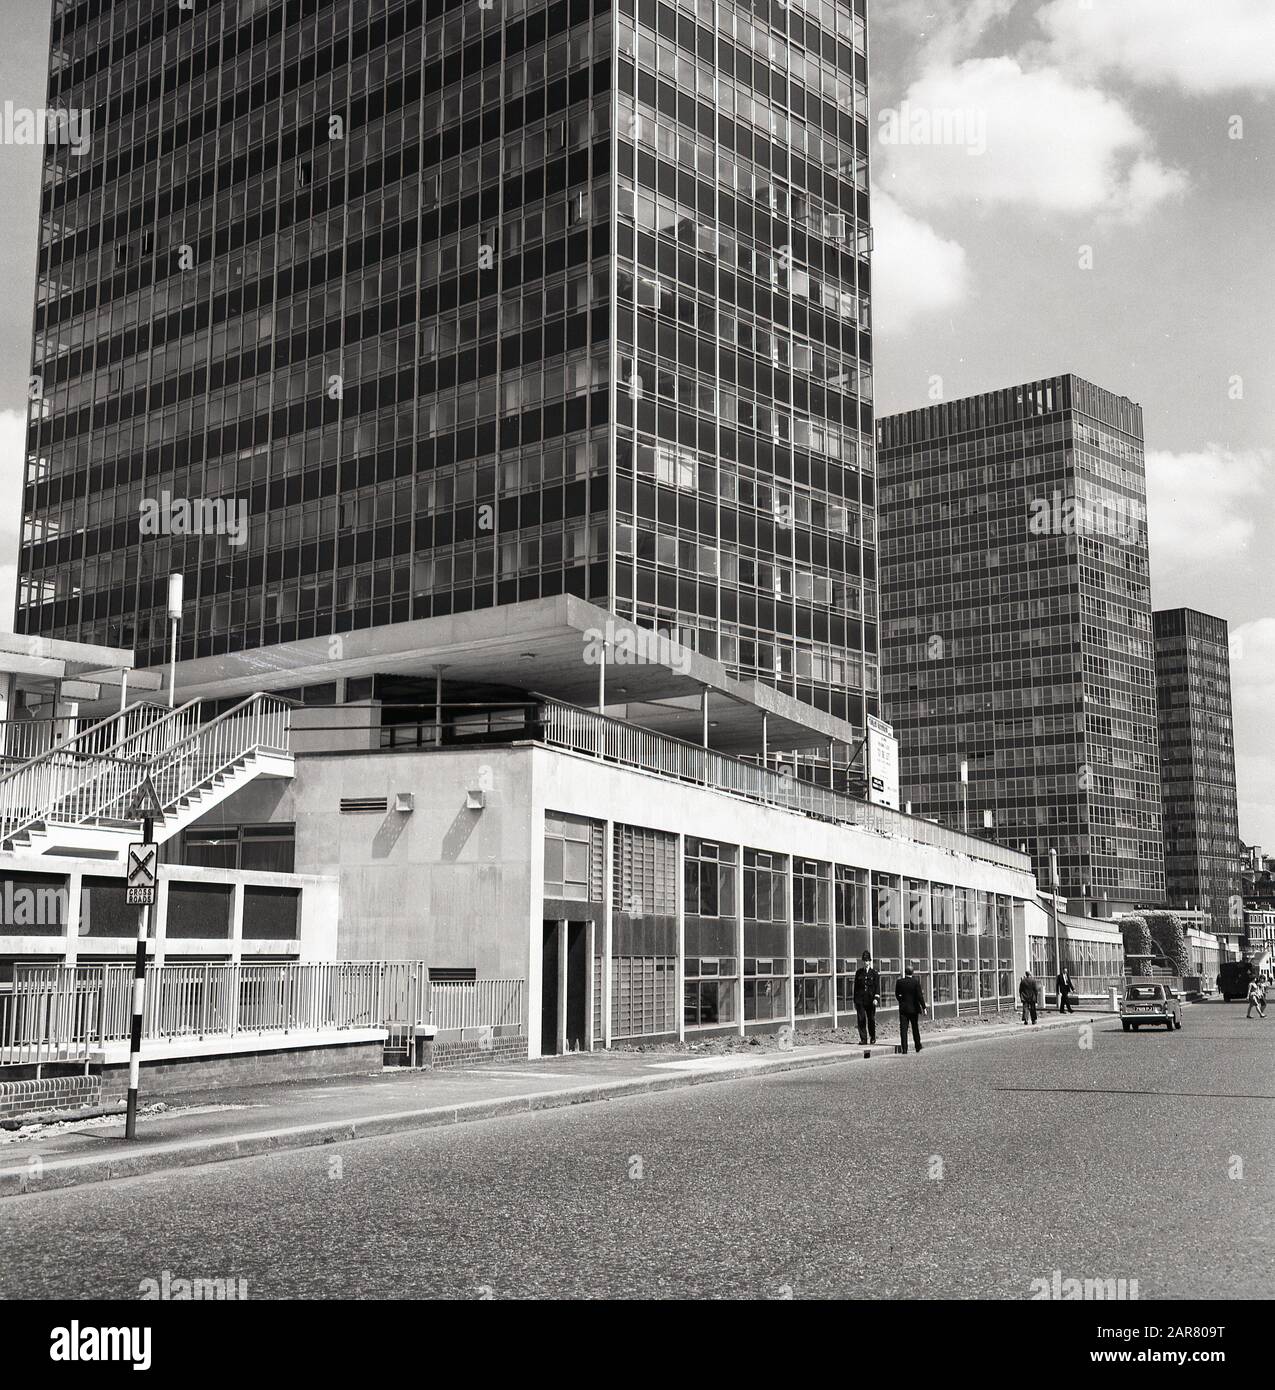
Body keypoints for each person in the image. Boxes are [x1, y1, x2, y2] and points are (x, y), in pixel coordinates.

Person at [895, 965, 926, 1053]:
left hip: (903, 1009)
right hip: (914, 1009)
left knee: (903, 1029)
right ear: (912, 972)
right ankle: (917, 1046)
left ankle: (904, 1048)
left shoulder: (900, 982)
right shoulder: (915, 982)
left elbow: (897, 994)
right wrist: (924, 1007)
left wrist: (901, 1001)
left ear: (905, 972)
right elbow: (920, 996)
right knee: (915, 1028)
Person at [852, 951, 880, 1045]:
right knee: (861, 1019)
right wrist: (855, 1000)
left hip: (871, 1000)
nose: (865, 962)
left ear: (870, 961)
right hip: (860, 1000)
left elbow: (877, 987)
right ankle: (863, 1039)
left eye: (867, 960)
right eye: (864, 960)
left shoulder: (874, 973)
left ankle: (872, 1036)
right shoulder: (859, 973)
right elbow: (855, 987)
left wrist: (876, 998)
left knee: (871, 1019)